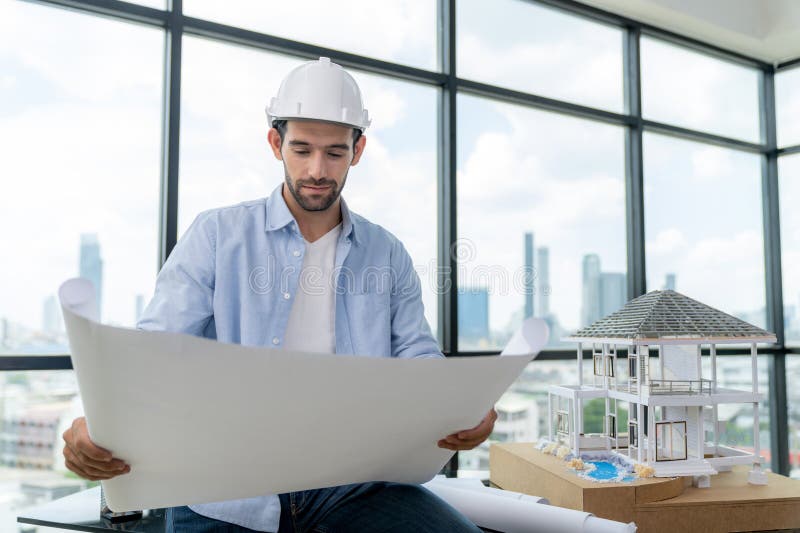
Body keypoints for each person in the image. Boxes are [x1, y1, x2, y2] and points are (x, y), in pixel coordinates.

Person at [62, 57, 496, 532]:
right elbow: (154, 350)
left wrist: (458, 407)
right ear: (276, 143)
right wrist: (100, 424)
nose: (317, 170)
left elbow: (416, 353)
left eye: (334, 152)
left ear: (358, 150)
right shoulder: (217, 235)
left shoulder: (386, 252)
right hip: (225, 490)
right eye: (302, 149)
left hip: (353, 485)